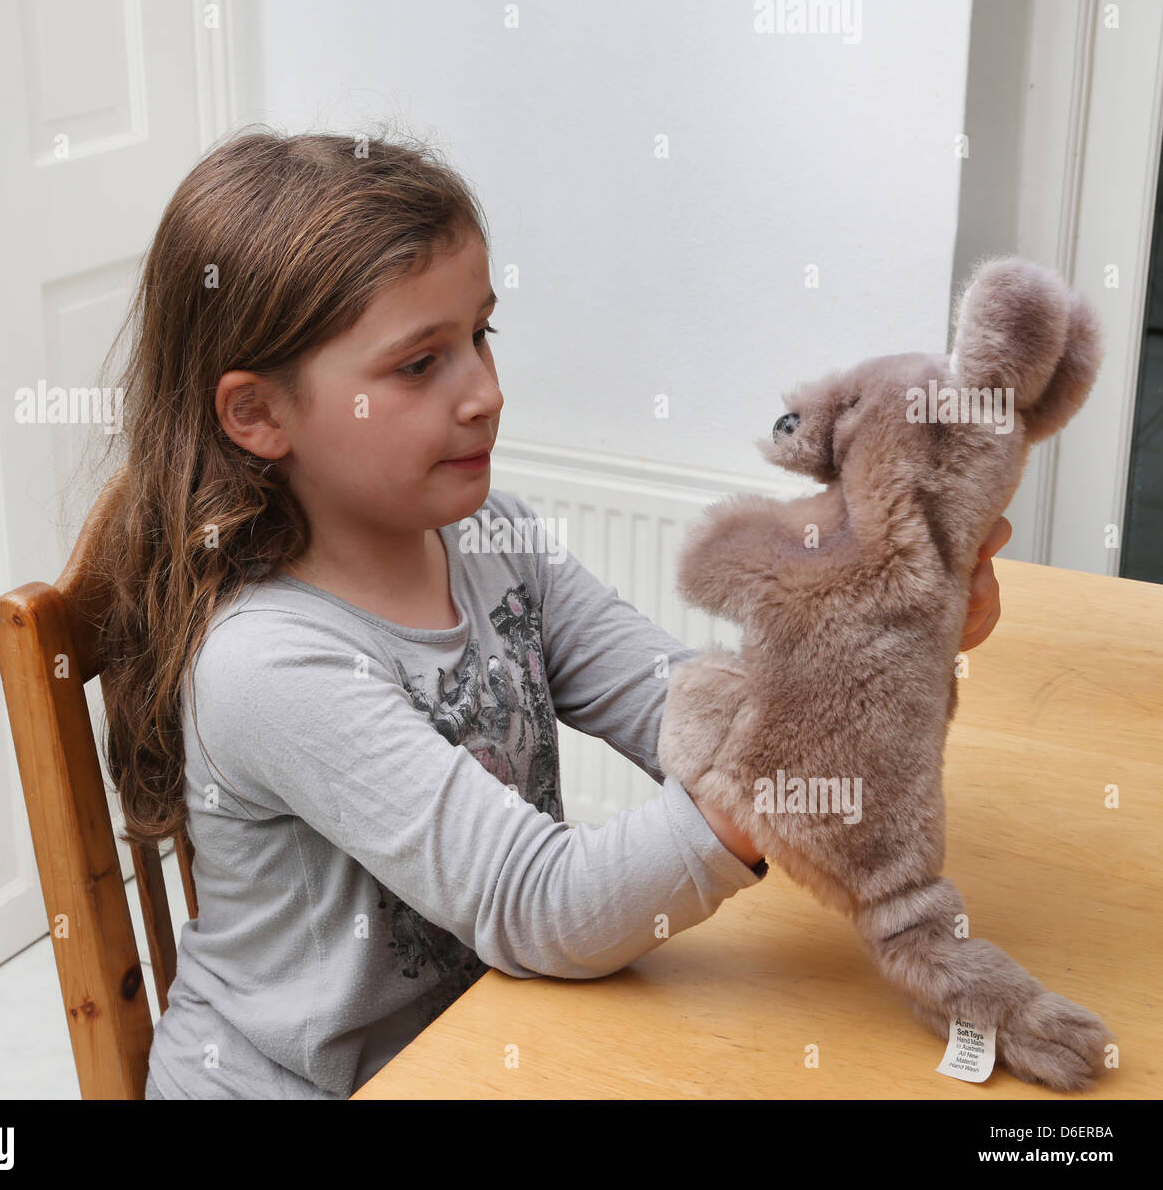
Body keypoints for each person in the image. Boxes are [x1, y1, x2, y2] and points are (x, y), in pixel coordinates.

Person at [87, 126, 1007, 1100]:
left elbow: (686, 712)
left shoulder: (495, 541)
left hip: (492, 1039)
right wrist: (775, 761)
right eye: (417, 364)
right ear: (259, 416)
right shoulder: (270, 662)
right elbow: (539, 905)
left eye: (480, 334)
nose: (484, 392)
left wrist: (883, 635)